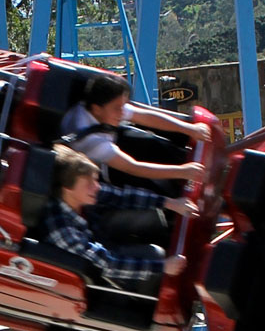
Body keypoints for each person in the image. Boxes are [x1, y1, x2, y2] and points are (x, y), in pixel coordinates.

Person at [37, 145, 198, 295]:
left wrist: (171, 203)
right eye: (89, 182)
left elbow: (122, 196)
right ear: (67, 188)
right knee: (155, 255)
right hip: (99, 273)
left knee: (150, 215)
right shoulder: (62, 230)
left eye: (95, 179)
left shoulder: (81, 193)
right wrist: (163, 266)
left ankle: (179, 248)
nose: (97, 187)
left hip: (99, 236)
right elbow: (108, 264)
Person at [58, 73, 209, 185]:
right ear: (97, 109)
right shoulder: (89, 140)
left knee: (147, 141)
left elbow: (145, 117)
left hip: (112, 136)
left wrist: (189, 129)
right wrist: (183, 172)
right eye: (118, 108)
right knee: (153, 180)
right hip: (108, 170)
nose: (122, 112)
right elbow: (133, 167)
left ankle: (196, 163)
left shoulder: (105, 108)